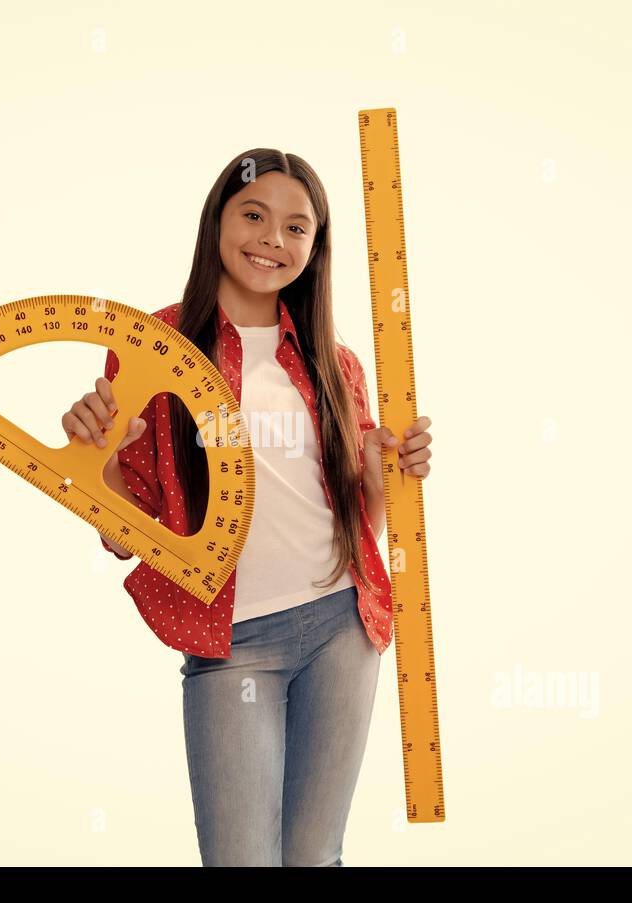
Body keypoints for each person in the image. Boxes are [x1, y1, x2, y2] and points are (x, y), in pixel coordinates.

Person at [61, 148, 433, 866]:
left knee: (316, 857)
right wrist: (96, 453)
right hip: (231, 642)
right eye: (254, 215)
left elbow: (364, 512)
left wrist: (394, 472)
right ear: (217, 223)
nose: (273, 238)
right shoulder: (151, 346)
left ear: (315, 249)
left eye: (298, 227)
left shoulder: (335, 360)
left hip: (341, 629)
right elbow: (123, 532)